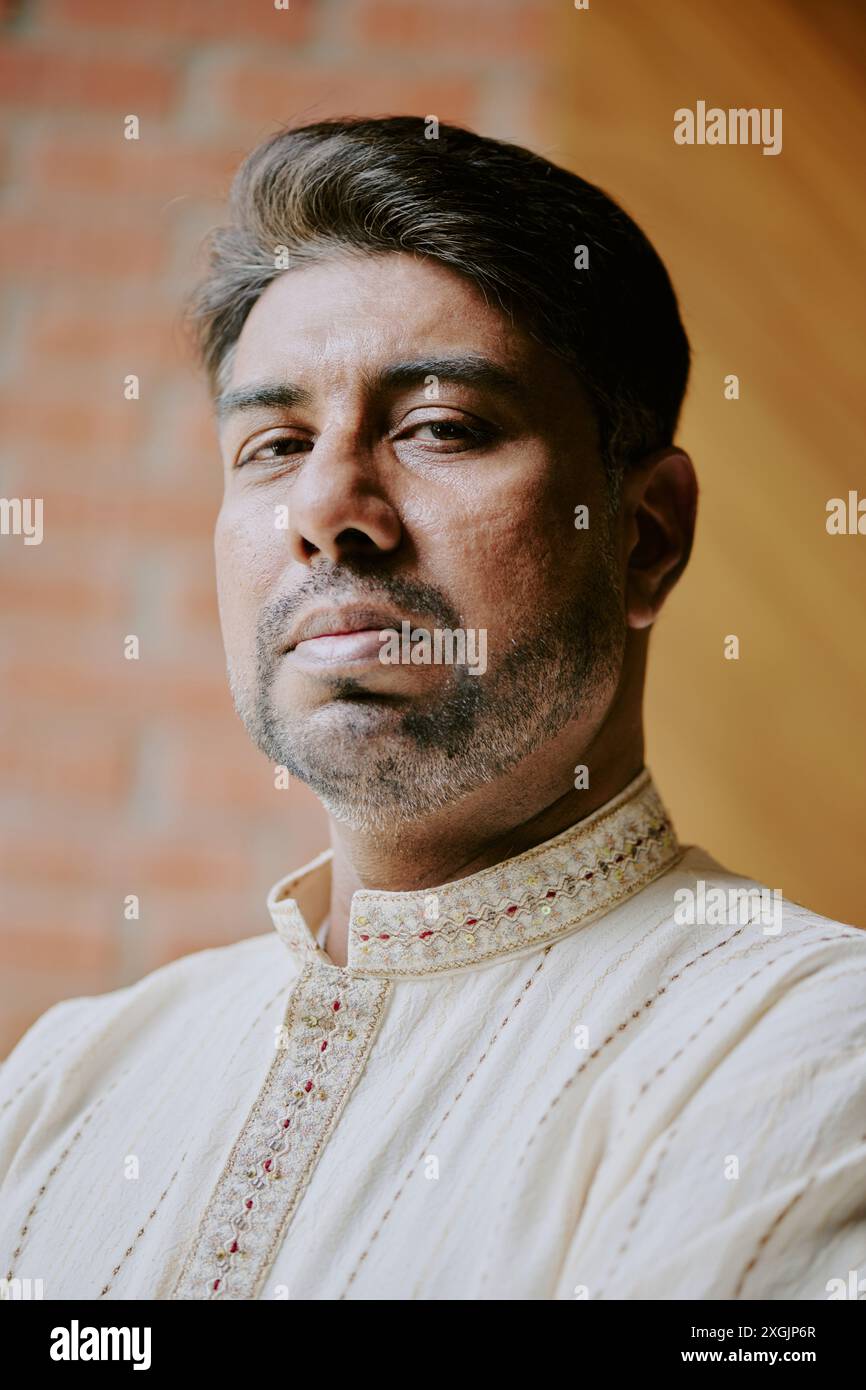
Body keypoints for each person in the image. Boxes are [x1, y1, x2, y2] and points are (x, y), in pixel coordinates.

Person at [1, 117, 863, 1302]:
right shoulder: (65, 1081)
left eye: (440, 427)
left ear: (644, 537)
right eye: (273, 444)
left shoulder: (803, 1045)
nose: (327, 509)